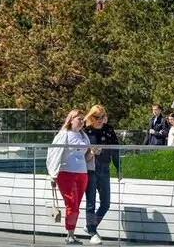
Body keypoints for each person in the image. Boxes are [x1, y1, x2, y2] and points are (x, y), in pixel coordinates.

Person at [46, 109, 94, 245]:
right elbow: (54, 154)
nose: (82, 121)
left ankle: (71, 233)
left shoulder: (84, 136)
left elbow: (86, 157)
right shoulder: (64, 135)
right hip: (66, 173)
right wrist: (53, 175)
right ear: (71, 119)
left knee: (76, 205)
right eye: (79, 119)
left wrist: (93, 152)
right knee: (71, 204)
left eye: (82, 119)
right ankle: (70, 234)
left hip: (82, 174)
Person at [83, 105, 121, 245]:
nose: (99, 120)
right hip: (90, 169)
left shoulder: (109, 130)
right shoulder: (86, 132)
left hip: (104, 168)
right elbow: (80, 152)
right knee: (91, 202)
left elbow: (116, 150)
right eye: (96, 117)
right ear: (91, 117)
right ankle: (92, 231)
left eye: (102, 116)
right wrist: (91, 154)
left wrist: (119, 168)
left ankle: (90, 226)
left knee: (105, 203)